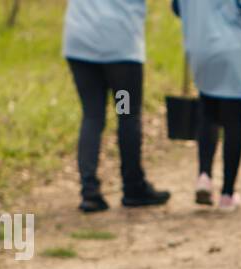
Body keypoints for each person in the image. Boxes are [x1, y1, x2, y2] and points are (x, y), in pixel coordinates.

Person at [63, 0, 170, 211]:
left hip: (80, 43)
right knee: (126, 114)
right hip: (118, 53)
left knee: (92, 116)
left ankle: (89, 191)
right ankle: (133, 187)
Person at [173, 0, 241, 211]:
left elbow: (176, 7)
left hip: (200, 48)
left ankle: (204, 175)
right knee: (233, 122)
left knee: (207, 112)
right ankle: (227, 193)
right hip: (231, 47)